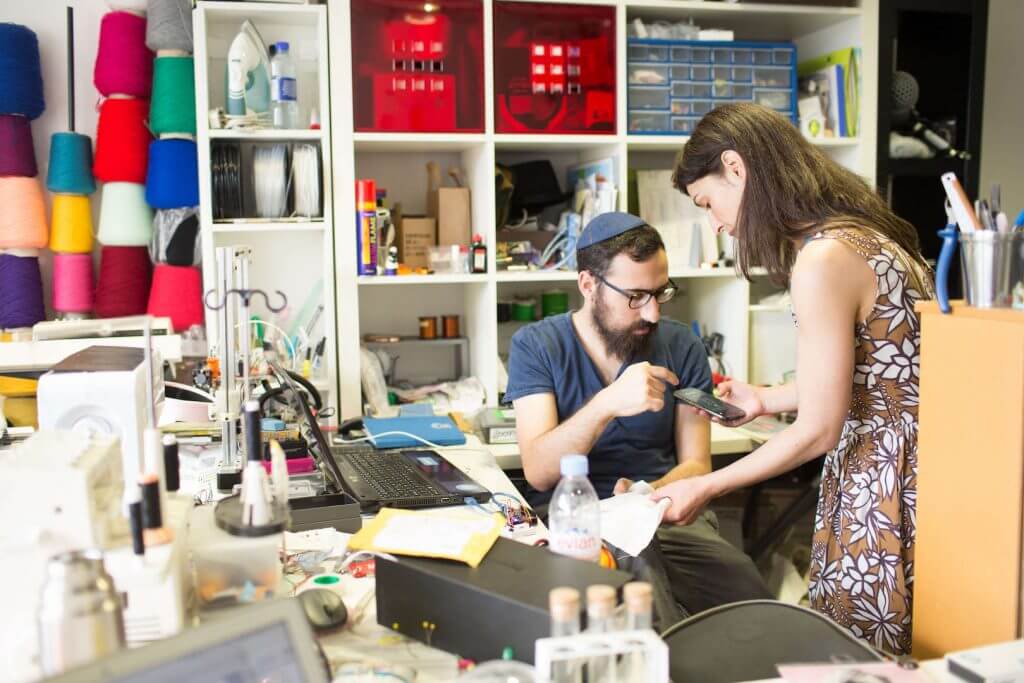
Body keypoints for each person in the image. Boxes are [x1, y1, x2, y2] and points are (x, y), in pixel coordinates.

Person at [654, 102, 934, 655]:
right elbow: (879, 371)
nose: (714, 223)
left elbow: (817, 431)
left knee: (864, 658)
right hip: (917, 468)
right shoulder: (866, 236)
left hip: (880, 483)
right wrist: (765, 398)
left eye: (707, 203)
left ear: (736, 168)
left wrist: (706, 485)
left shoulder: (822, 259)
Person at [505, 211, 771, 627]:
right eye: (635, 297)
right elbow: (539, 471)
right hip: (579, 521)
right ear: (589, 285)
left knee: (749, 598)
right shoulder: (538, 346)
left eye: (659, 293)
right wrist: (608, 402)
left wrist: (647, 495)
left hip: (666, 512)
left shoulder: (681, 344)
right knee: (644, 595)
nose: (651, 313)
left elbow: (696, 465)